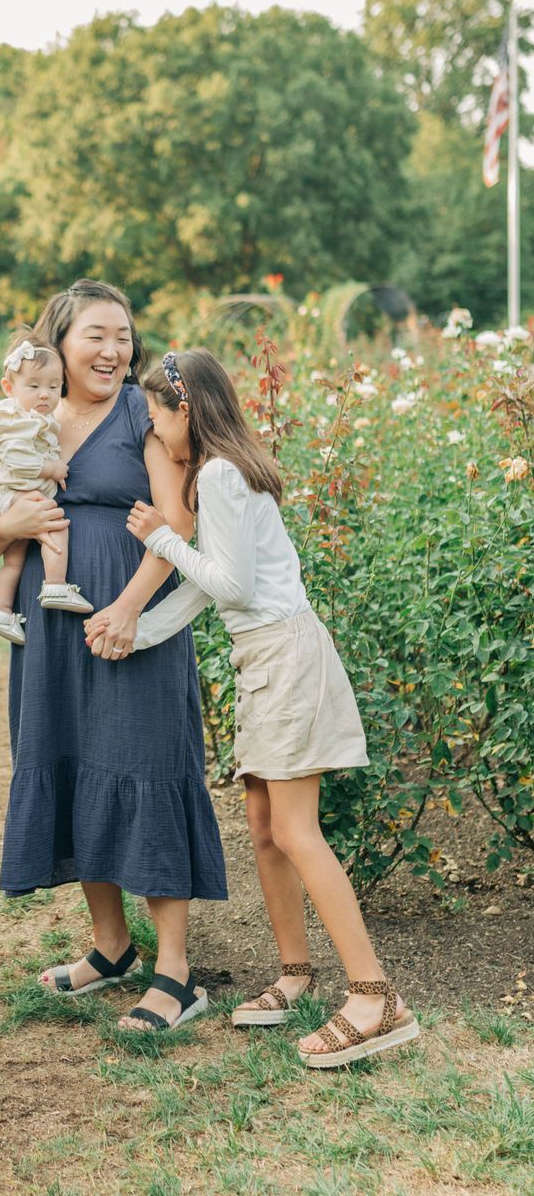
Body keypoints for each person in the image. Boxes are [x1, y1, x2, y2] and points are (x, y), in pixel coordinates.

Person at [124, 348, 420, 1067]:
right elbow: (211, 589)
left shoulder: (222, 474)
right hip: (266, 656)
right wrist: (136, 629)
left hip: (284, 657)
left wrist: (162, 536)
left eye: (156, 414)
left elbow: (229, 583)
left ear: (184, 409)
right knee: (263, 824)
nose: (153, 431)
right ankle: (294, 974)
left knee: (294, 829)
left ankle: (375, 998)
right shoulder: (221, 473)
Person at [0, 280, 227, 1033]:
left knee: (145, 762)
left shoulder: (140, 415)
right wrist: (9, 520)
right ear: (60, 339)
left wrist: (128, 608)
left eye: (123, 335)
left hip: (129, 620)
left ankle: (176, 972)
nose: (114, 350)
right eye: (96, 335)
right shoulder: (27, 415)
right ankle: (111, 946)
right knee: (74, 760)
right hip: (48, 624)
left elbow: (176, 521)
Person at [0, 331, 91, 646]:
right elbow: (19, 460)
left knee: (15, 558)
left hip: (5, 496)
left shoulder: (29, 417)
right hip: (5, 496)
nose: (45, 395)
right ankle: (55, 584)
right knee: (52, 518)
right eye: (34, 386)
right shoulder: (16, 419)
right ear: (9, 388)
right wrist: (52, 468)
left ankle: (0, 611)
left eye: (53, 386)